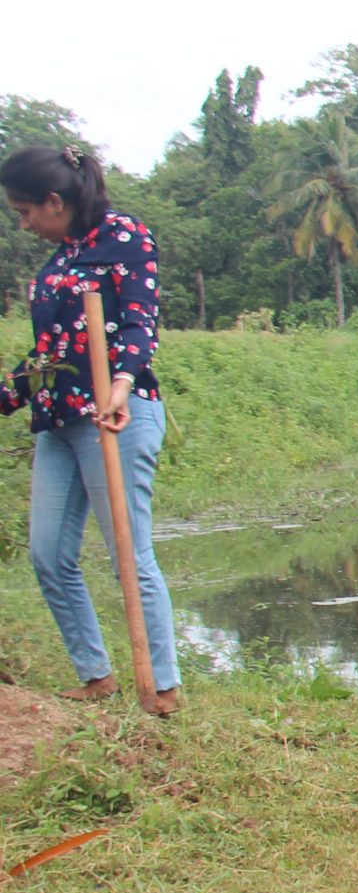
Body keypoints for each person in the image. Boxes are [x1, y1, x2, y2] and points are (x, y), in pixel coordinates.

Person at [2, 143, 182, 717]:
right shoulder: (56, 263)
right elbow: (48, 354)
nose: (24, 223)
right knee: (49, 553)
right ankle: (95, 676)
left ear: (54, 201)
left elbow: (139, 319)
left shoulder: (124, 237)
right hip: (59, 419)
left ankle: (162, 689)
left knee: (130, 554)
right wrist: (10, 393)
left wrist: (123, 381)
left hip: (117, 416)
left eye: (26, 211)